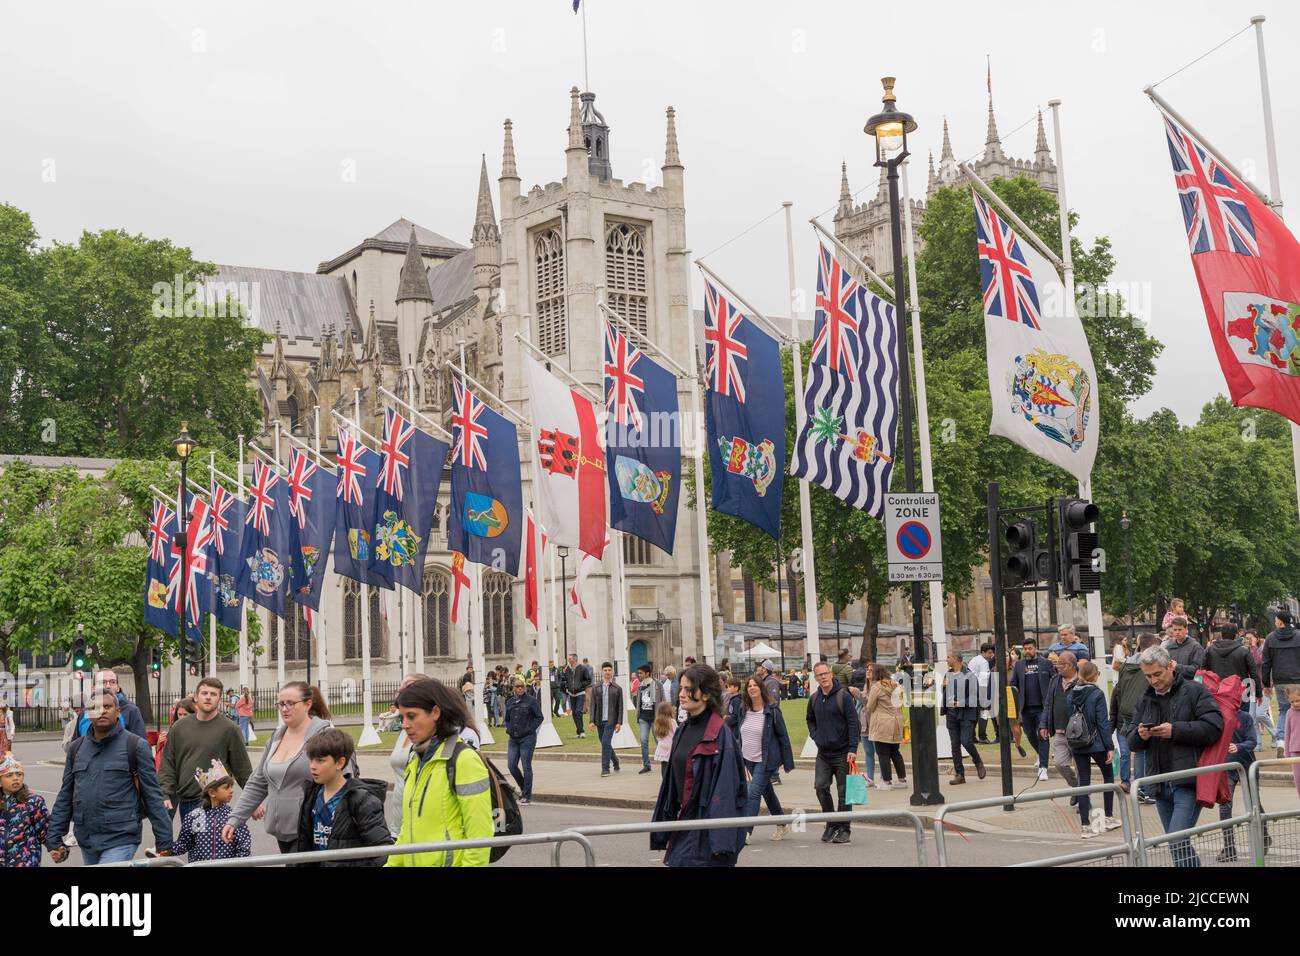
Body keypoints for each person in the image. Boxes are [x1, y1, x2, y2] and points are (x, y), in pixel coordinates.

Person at [46, 688, 173, 865]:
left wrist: (164, 841)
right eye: (95, 707)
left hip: (121, 836)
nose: (102, 711)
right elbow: (66, 794)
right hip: (87, 838)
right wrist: (54, 837)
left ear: (118, 711)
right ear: (87, 713)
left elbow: (153, 796)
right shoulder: (76, 749)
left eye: (107, 706)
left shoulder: (136, 746)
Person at [1129, 644, 1224, 867]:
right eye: (1148, 676)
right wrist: (1140, 734)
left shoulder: (1195, 691)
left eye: (1157, 674)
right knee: (1176, 844)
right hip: (1159, 783)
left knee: (1176, 840)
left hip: (1188, 780)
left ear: (1170, 666)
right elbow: (1131, 740)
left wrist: (1175, 730)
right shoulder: (1144, 699)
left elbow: (1213, 727)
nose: (1153, 680)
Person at [386, 679, 493, 867]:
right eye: (402, 717)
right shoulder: (415, 758)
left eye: (411, 716)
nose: (404, 724)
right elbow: (407, 829)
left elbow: (480, 837)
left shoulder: (464, 760)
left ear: (435, 712)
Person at [650, 664, 747, 866]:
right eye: (681, 688)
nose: (681, 694)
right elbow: (670, 785)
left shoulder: (720, 735)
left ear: (705, 694)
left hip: (706, 831)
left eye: (688, 689)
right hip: (683, 822)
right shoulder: (682, 729)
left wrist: (720, 843)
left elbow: (727, 792)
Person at [223, 681, 332, 853]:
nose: (285, 709)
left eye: (291, 703)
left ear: (308, 704)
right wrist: (234, 820)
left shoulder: (324, 736)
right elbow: (258, 782)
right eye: (281, 703)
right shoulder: (276, 737)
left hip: (313, 831)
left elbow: (343, 781)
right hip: (282, 833)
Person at [158, 676, 252, 825]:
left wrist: (253, 801)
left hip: (214, 801)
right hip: (186, 800)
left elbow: (243, 769)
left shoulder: (230, 729)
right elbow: (168, 764)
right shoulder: (179, 728)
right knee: (193, 846)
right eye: (204, 693)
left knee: (210, 847)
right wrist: (165, 793)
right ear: (196, 697)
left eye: (213, 694)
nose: (208, 697)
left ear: (219, 700)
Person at [293, 728, 392, 866]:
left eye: (320, 761)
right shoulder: (312, 795)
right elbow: (305, 844)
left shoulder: (361, 799)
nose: (313, 766)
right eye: (311, 760)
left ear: (340, 763)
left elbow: (382, 850)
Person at [736, 675, 795, 842]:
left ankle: (745, 832)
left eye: (755, 685)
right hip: (748, 759)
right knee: (767, 792)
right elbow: (739, 735)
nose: (752, 688)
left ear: (761, 688)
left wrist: (788, 762)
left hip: (766, 759)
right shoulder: (743, 709)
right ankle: (782, 824)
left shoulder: (772, 710)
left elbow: (783, 737)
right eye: (749, 686)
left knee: (753, 793)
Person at [806, 661, 859, 843]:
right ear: (815, 678)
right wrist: (816, 736)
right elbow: (810, 720)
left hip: (843, 753)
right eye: (819, 675)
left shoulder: (843, 696)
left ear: (831, 674)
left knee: (844, 792)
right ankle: (831, 824)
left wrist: (853, 749)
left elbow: (854, 723)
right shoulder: (813, 699)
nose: (823, 677)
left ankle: (844, 829)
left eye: (825, 673)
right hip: (823, 753)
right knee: (821, 787)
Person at [1069, 661, 1121, 837]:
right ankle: (1108, 816)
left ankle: (1085, 825)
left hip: (1078, 741)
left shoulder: (1072, 693)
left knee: (1083, 782)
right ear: (1095, 675)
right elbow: (1102, 723)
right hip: (1097, 742)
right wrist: (1110, 746)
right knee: (1108, 777)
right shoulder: (1097, 694)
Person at [173, 758, 252, 861]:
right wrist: (166, 849)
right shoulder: (194, 816)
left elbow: (244, 846)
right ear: (212, 793)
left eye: (231, 787)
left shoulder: (234, 817)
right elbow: (183, 844)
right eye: (226, 787)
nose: (231, 791)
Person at [1111, 634, 1157, 802]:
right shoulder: (1150, 664)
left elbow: (1119, 689)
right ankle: (1146, 789)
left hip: (1127, 711)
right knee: (1146, 752)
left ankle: (1140, 788)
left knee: (1137, 752)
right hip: (1145, 710)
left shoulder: (1126, 664)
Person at [1215, 704, 1258, 862]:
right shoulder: (1217, 717)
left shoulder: (1245, 717)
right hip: (1227, 768)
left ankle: (1264, 836)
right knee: (1225, 807)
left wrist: (1238, 747)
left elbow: (1252, 741)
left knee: (1255, 805)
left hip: (1248, 767)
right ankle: (1229, 848)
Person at [1039, 651, 1082, 791]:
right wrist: (1044, 725)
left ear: (1070, 666)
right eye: (1057, 663)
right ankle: (1076, 787)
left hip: (1078, 733)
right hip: (1059, 731)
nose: (1057, 666)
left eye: (1061, 664)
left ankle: (1083, 798)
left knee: (1080, 767)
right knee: (1059, 763)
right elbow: (1048, 704)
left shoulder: (1081, 681)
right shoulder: (1055, 680)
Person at [942, 652, 985, 784]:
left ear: (955, 659)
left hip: (966, 713)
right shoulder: (947, 674)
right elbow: (945, 692)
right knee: (955, 745)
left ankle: (977, 761)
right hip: (951, 714)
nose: (946, 659)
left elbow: (975, 697)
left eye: (949, 657)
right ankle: (959, 774)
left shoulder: (969, 675)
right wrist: (943, 687)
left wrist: (960, 702)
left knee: (966, 741)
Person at [1262, 608, 1300, 758]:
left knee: (1284, 711)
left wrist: (1266, 684)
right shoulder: (1298, 636)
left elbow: (1266, 663)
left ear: (1279, 622)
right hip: (1298, 678)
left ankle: (1281, 742)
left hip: (1280, 680)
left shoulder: (1271, 638)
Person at [1, 753, 50, 867]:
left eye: (19, 774)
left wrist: (58, 848)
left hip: (25, 862)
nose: (15, 778)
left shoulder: (33, 802)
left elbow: (46, 831)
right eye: (9, 775)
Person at [72, 669, 148, 741]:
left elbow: (140, 746)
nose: (108, 686)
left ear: (118, 687)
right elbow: (75, 747)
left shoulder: (131, 711)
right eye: (103, 682)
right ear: (93, 688)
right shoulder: (85, 714)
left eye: (112, 682)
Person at [504, 677, 542, 804]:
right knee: (511, 765)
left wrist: (529, 729)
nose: (520, 688)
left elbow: (539, 717)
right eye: (517, 687)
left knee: (526, 765)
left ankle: (527, 794)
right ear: (513, 688)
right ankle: (523, 787)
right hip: (513, 738)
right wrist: (508, 729)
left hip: (527, 738)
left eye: (522, 686)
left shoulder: (531, 701)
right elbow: (507, 719)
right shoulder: (509, 702)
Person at [589, 661, 624, 777]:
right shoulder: (596, 687)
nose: (607, 672)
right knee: (606, 743)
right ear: (602, 671)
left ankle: (605, 769)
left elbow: (620, 707)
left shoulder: (617, 688)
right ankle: (615, 761)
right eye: (605, 670)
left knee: (605, 742)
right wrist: (591, 721)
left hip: (611, 720)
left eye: (609, 670)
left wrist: (619, 722)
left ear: (612, 672)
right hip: (599, 720)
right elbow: (592, 705)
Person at [1244, 631, 1279, 747]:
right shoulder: (1244, 651)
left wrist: (1253, 646)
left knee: (1260, 714)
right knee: (1252, 717)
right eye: (1246, 638)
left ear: (1256, 638)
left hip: (1264, 686)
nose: (1248, 640)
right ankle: (1258, 742)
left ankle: (1275, 735)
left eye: (1251, 638)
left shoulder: (1262, 650)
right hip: (1252, 688)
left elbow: (1258, 662)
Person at [632, 662, 663, 774]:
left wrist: (662, 716)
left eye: (640, 673)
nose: (638, 675)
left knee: (659, 740)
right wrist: (638, 714)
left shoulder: (658, 684)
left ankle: (665, 762)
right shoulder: (640, 685)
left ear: (647, 673)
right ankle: (646, 765)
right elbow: (638, 701)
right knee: (643, 740)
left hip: (655, 717)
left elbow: (663, 700)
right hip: (643, 718)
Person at [153, 696, 197, 773]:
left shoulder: (199, 731)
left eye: (185, 714)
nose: (182, 718)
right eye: (180, 714)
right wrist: (159, 744)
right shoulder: (172, 731)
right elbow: (164, 758)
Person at [969, 642, 998, 744]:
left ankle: (972, 737)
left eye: (992, 653)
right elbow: (983, 680)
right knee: (984, 713)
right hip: (979, 690)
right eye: (989, 653)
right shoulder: (984, 663)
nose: (991, 655)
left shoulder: (974, 659)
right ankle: (982, 737)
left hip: (971, 690)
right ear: (983, 652)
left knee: (975, 715)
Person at [563, 653, 592, 738]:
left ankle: (582, 732)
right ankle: (579, 732)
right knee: (574, 713)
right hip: (571, 694)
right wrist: (566, 687)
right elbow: (564, 679)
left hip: (580, 693)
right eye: (569, 658)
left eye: (570, 658)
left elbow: (588, 680)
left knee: (578, 712)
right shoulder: (567, 669)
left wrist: (580, 686)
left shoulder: (583, 668)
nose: (569, 660)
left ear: (575, 659)